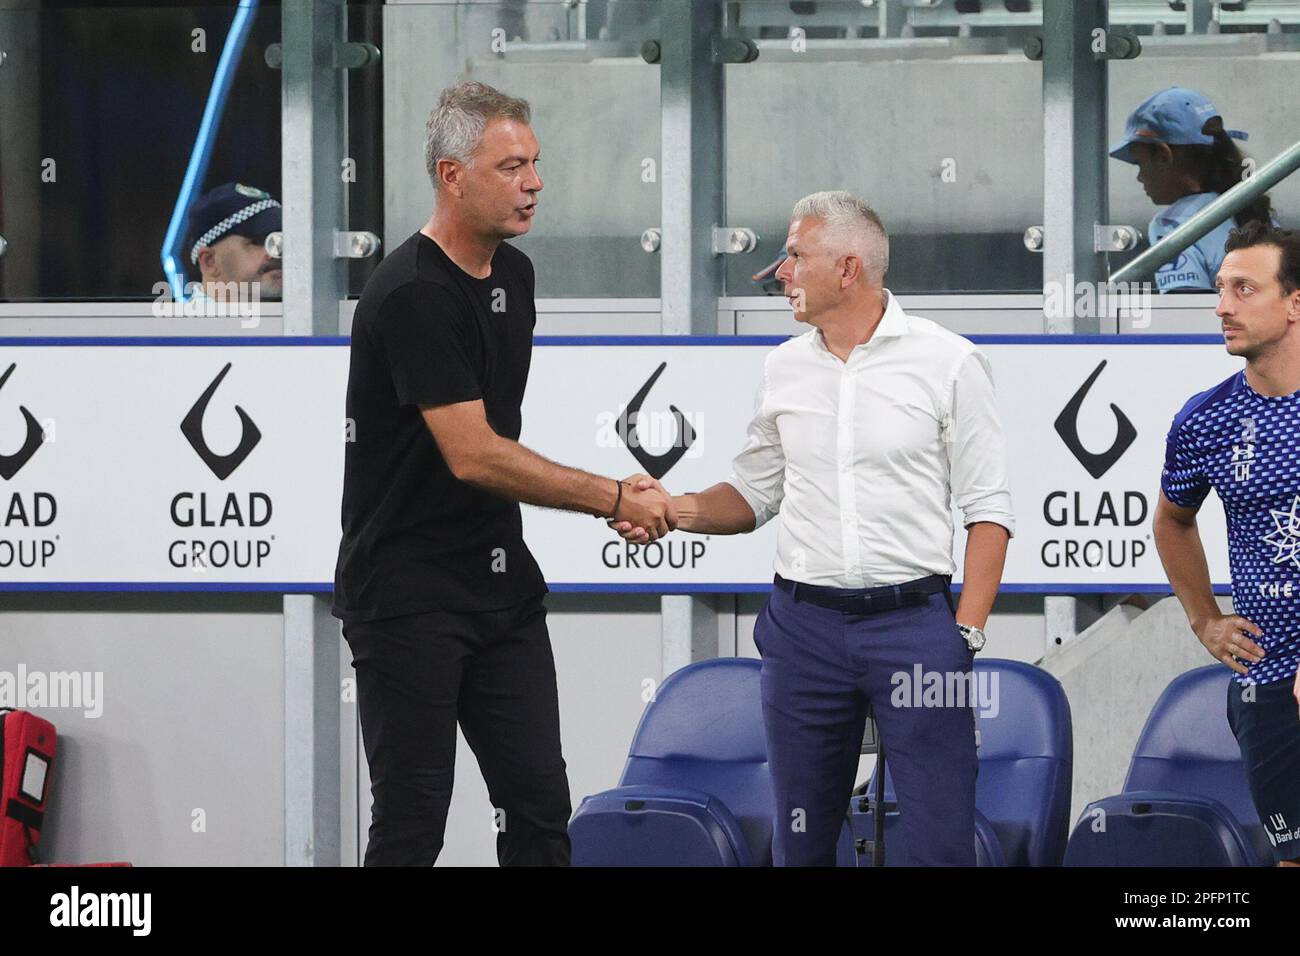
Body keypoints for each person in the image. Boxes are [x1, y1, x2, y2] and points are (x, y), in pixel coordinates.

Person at [613, 191, 1015, 866]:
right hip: (803, 633)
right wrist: (671, 509)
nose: (781, 273)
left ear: (849, 268)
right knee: (799, 844)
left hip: (916, 627)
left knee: (941, 844)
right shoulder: (783, 367)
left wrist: (964, 633)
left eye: (796, 256)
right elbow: (752, 494)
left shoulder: (950, 363)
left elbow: (989, 512)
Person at [331, 80, 674, 866]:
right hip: (406, 594)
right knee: (413, 822)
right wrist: (613, 496)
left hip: (499, 586)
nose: (535, 183)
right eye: (512, 166)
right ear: (453, 176)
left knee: (540, 806)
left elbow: (495, 446)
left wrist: (612, 498)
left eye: (536, 164)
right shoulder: (412, 293)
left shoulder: (514, 278)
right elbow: (474, 452)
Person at [1153, 221, 1300, 866]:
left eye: (1245, 289)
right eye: (1220, 289)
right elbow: (1172, 521)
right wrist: (1205, 619)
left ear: (1295, 303)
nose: (1223, 306)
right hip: (1267, 680)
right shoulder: (1205, 419)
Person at [1110, 87, 1274, 294]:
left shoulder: (1173, 225)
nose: (1140, 177)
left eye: (1140, 163)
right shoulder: (1256, 211)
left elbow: (1186, 311)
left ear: (1163, 155)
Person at [186, 182, 283, 301]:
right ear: (209, 261)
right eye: (256, 242)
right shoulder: (185, 320)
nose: (276, 252)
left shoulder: (299, 317)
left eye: (278, 238)